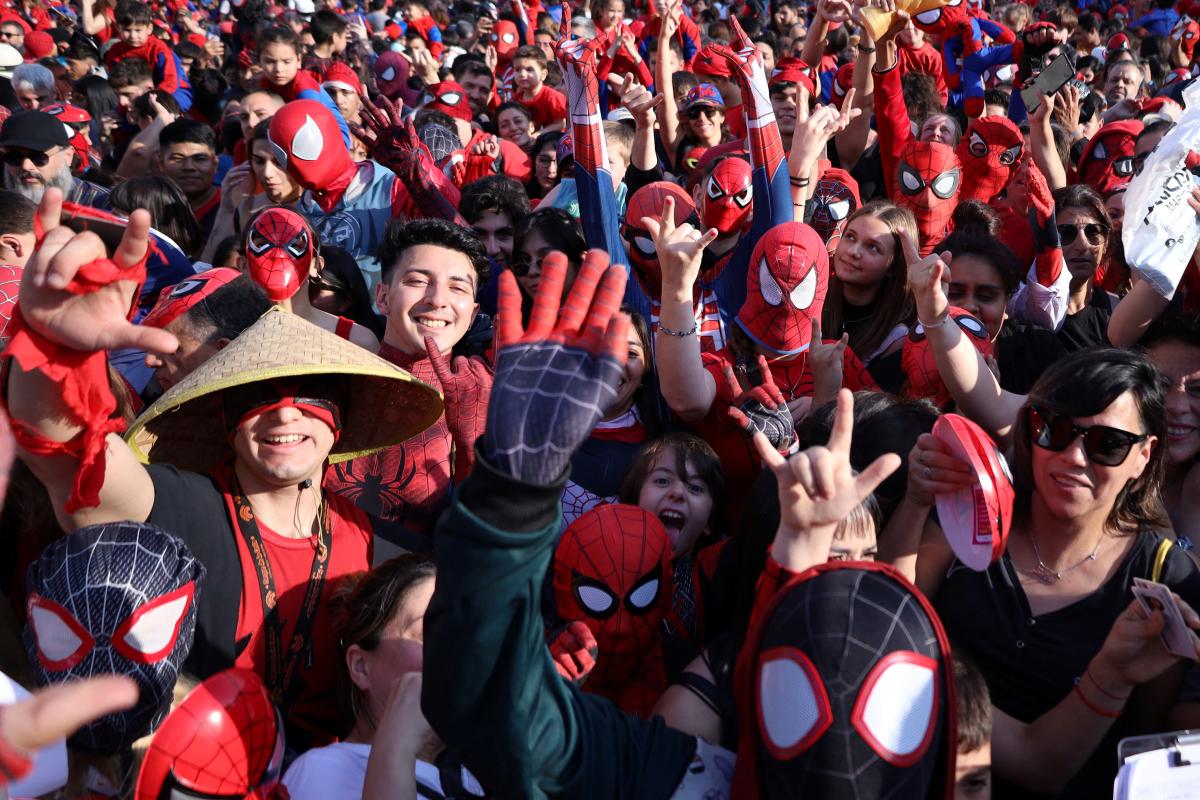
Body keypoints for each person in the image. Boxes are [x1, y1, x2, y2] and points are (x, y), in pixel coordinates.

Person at [5, 189, 443, 748]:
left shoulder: (383, 553)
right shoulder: (179, 506)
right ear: (226, 417)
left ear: (344, 419)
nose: (286, 410)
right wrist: (52, 350)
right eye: (257, 395)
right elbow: (70, 458)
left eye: (312, 394)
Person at [325, 218, 491, 545]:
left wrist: (477, 449)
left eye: (457, 287)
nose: (437, 299)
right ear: (382, 297)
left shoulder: (482, 397)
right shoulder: (330, 381)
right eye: (417, 280)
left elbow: (485, 540)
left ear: (472, 315)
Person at [0, 110, 110, 210]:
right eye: (14, 157)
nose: (26, 166)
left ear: (67, 156)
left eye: (38, 157)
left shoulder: (102, 203)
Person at [157, 119, 220, 241]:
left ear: (215, 164)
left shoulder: (233, 209)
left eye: (200, 159)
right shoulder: (147, 207)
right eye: (177, 158)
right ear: (161, 163)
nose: (189, 167)